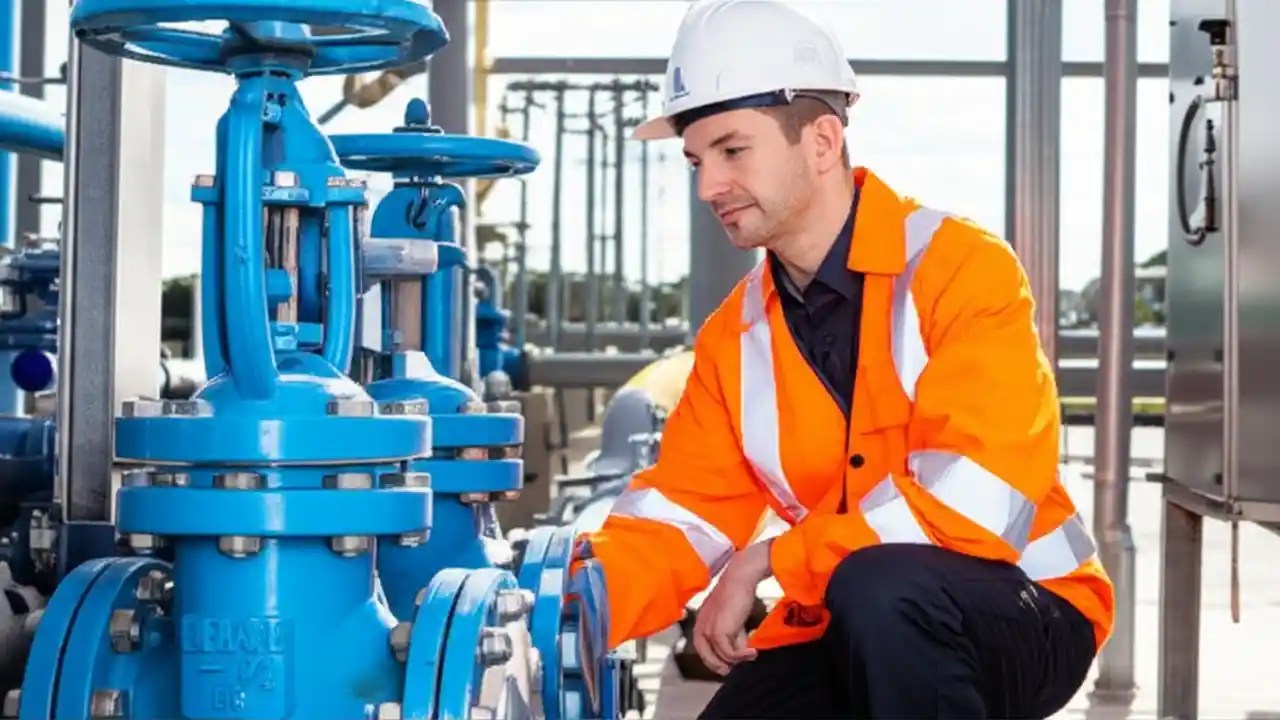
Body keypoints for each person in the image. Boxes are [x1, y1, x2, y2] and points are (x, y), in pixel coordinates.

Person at [572, 0, 1115, 717]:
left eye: (733, 151)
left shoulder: (959, 268)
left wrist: (771, 559)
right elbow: (682, 513)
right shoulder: (733, 338)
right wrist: (570, 602)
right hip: (844, 610)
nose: (708, 186)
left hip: (1025, 605)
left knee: (881, 587)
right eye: (697, 160)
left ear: (823, 141)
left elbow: (980, 501)